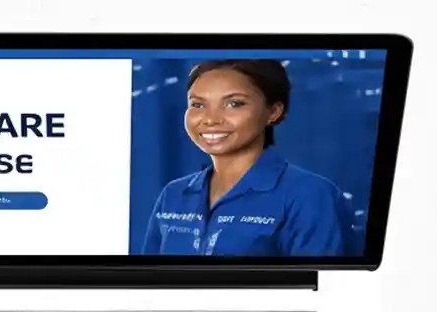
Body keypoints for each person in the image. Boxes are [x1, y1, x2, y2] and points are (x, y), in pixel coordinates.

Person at [139, 59, 353, 257]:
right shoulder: (174, 194)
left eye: (234, 104)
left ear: (274, 111)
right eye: (198, 105)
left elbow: (326, 288)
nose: (211, 119)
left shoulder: (310, 195)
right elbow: (148, 280)